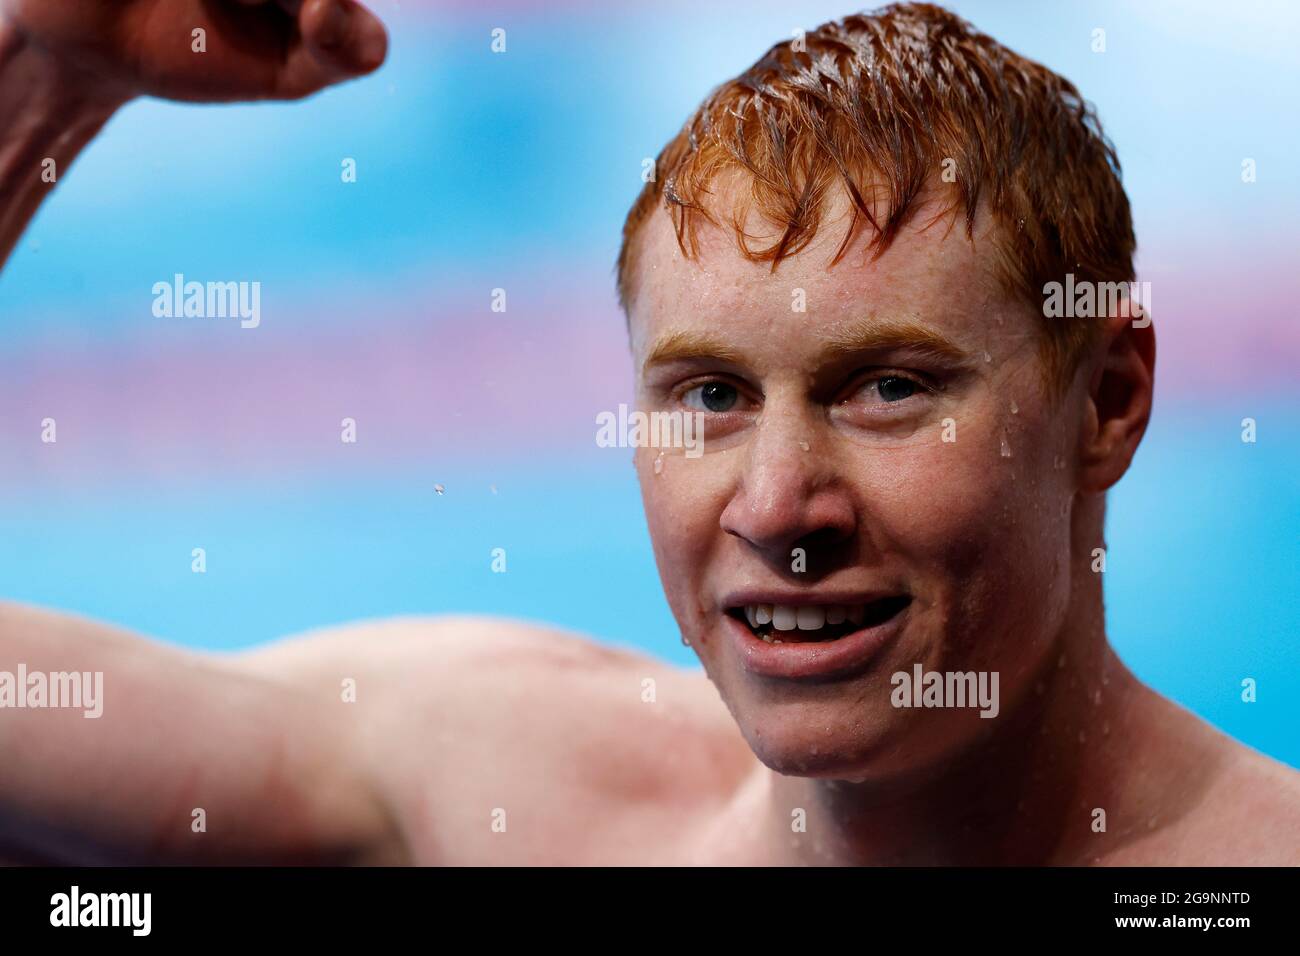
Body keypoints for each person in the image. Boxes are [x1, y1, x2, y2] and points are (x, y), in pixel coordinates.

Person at [1, 0, 1296, 866]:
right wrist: (42, 80)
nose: (779, 509)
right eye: (713, 398)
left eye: (887, 389)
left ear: (1110, 401)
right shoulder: (492, 789)